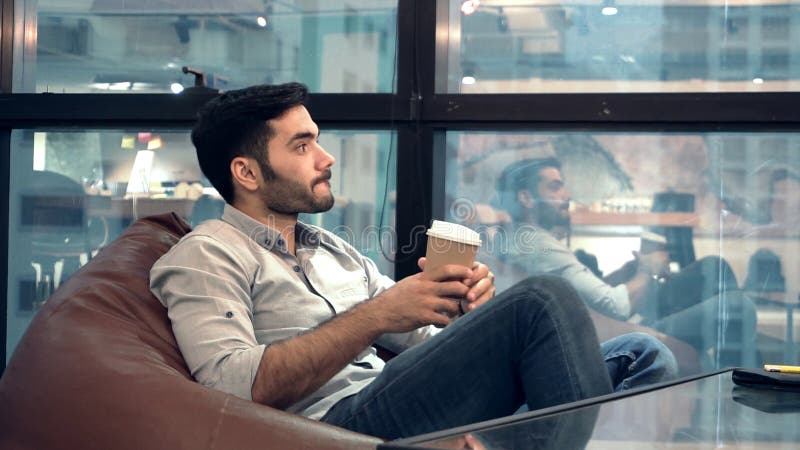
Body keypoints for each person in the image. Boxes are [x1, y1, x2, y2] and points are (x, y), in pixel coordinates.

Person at [149, 83, 676, 440]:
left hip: (397, 390)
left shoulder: (331, 248)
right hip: (340, 426)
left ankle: (503, 444)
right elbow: (231, 389)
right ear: (246, 172)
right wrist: (379, 314)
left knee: (642, 353)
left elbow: (422, 341)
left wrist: (463, 311)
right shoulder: (206, 254)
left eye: (319, 140)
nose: (326, 157)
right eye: (303, 145)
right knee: (545, 297)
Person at [493, 157, 759, 369]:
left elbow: (585, 297)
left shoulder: (526, 240)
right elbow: (615, 307)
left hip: (609, 322)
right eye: (555, 187)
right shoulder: (539, 246)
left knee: (712, 268)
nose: (567, 195)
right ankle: (745, 382)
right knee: (737, 307)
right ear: (526, 198)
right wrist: (646, 270)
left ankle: (734, 375)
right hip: (620, 335)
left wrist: (624, 274)